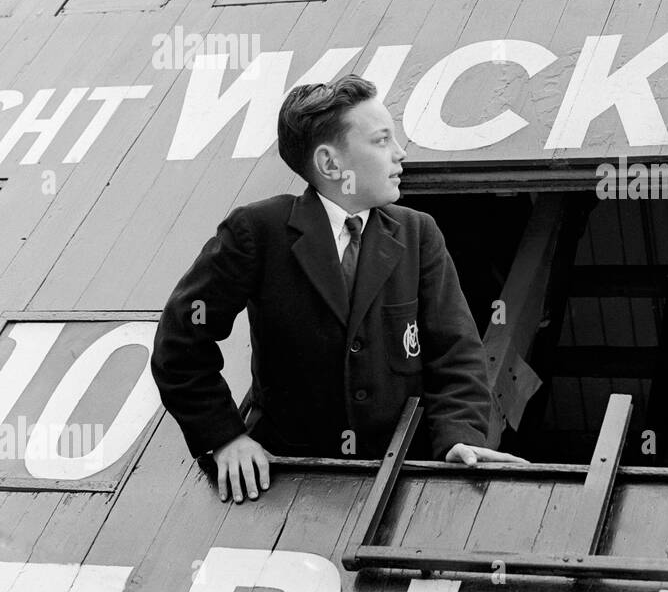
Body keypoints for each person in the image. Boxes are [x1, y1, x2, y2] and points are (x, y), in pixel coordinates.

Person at [150, 75, 524, 502]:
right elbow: (179, 342)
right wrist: (225, 436)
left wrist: (457, 436)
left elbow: (455, 352)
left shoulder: (419, 234)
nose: (400, 154)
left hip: (397, 485)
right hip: (285, 486)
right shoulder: (258, 232)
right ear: (331, 165)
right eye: (382, 141)